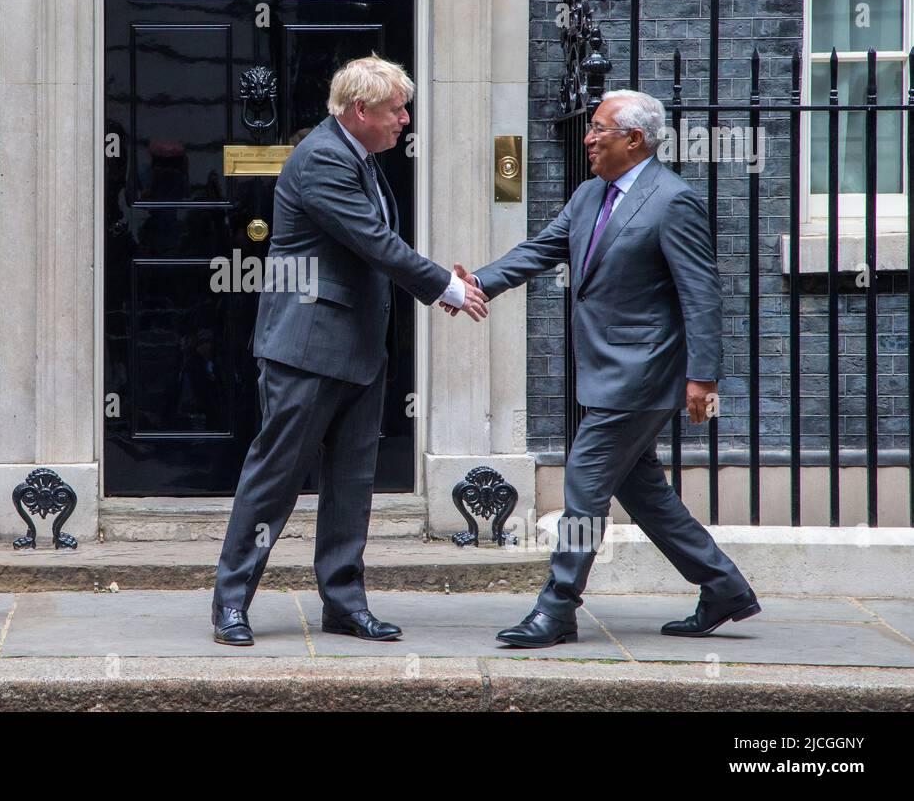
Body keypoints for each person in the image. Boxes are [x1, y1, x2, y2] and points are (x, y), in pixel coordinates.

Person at [455, 89, 758, 648]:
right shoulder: (590, 194)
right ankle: (724, 588)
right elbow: (539, 250)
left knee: (585, 481)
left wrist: (703, 377)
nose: (588, 138)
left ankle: (558, 607)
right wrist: (473, 283)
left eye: (598, 129)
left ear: (634, 139)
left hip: (642, 374)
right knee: (646, 495)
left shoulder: (672, 201)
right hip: (606, 370)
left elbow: (702, 295)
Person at [211, 55, 487, 646]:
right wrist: (448, 287)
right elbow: (375, 242)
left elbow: (377, 247)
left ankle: (342, 602)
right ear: (360, 111)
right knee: (274, 479)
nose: (405, 120)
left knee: (351, 483)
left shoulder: (357, 155)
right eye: (395, 110)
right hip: (307, 349)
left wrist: (436, 285)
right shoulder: (323, 160)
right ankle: (231, 603)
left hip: (359, 349)